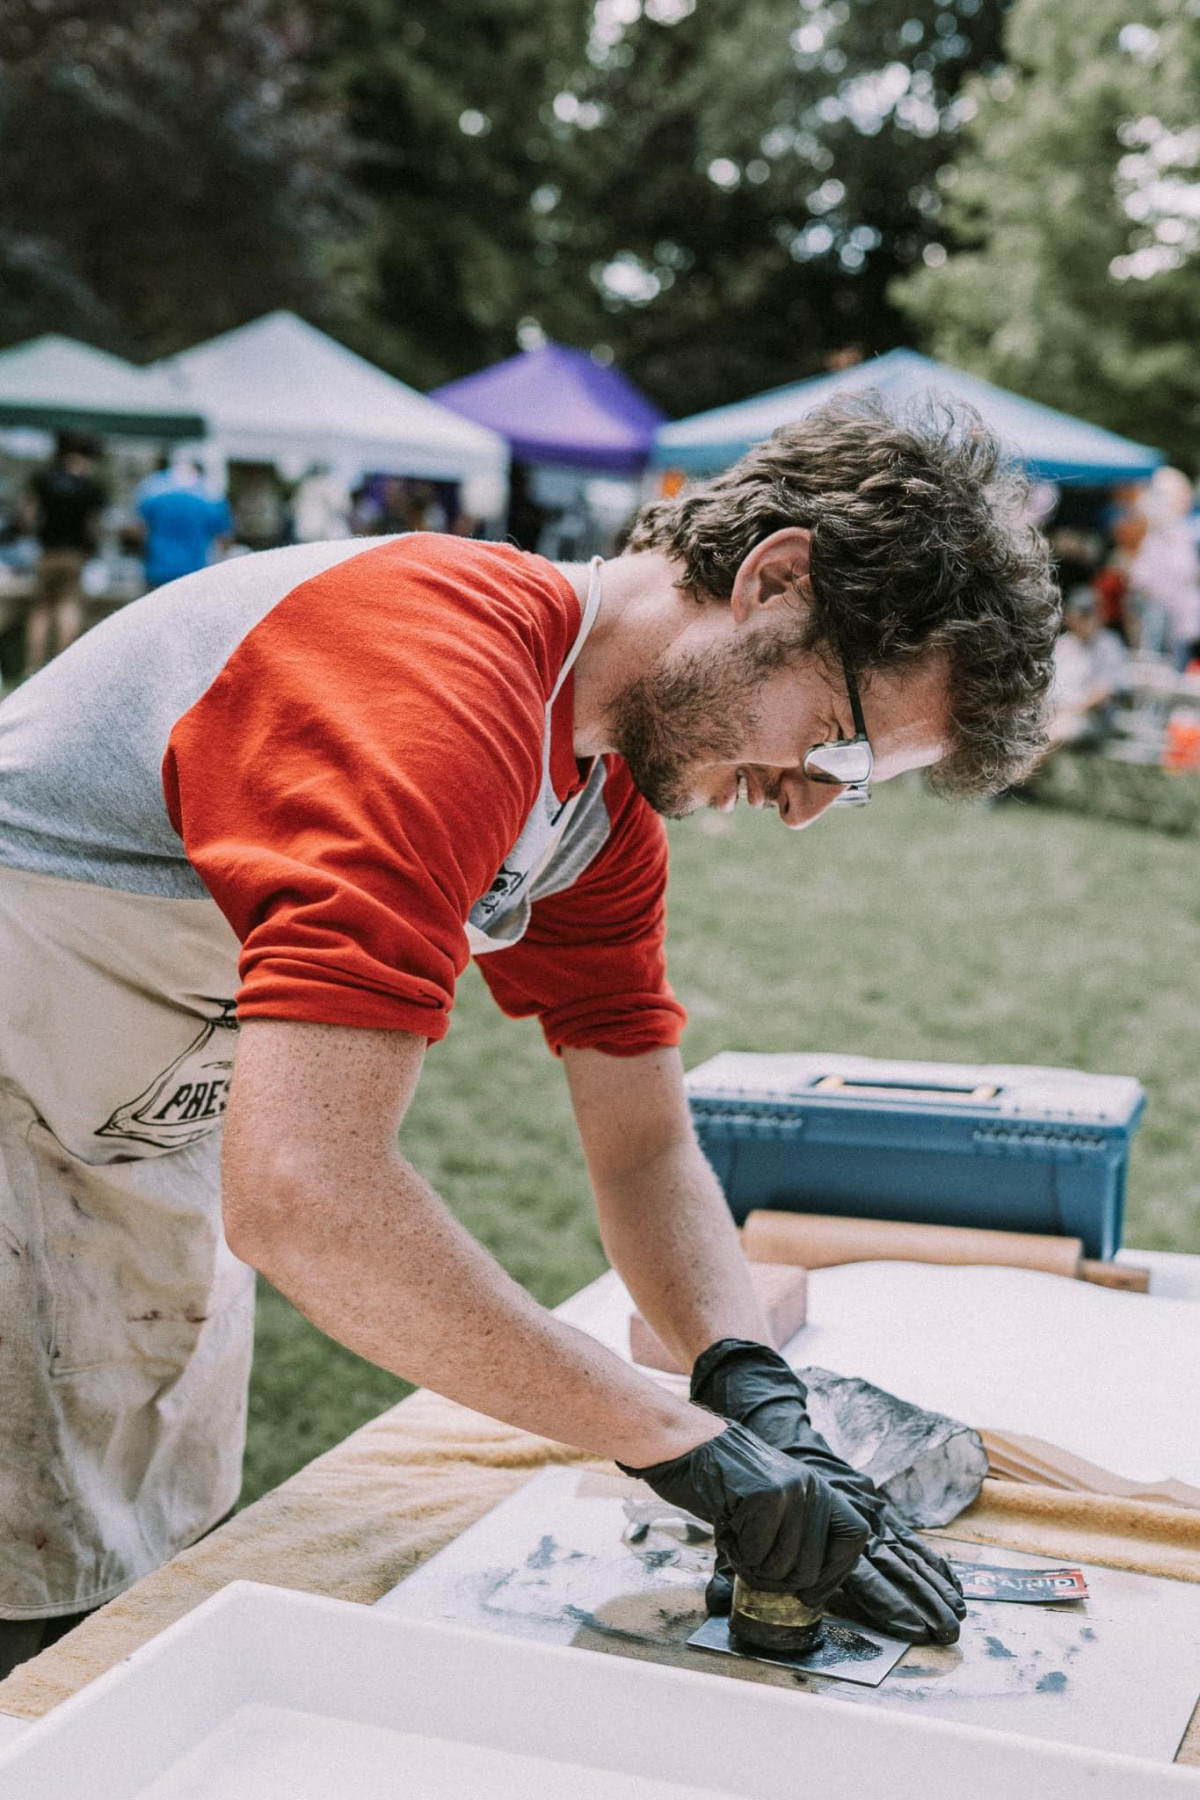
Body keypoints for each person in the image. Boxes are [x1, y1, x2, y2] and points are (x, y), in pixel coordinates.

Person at [0, 398, 1058, 1676]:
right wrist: (676, 1442)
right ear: (774, 582)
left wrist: (746, 1379)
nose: (801, 809)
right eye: (835, 748)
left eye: (853, 791)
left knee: (113, 1625)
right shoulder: (430, 678)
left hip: (125, 1156)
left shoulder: (596, 810)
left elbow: (643, 1148)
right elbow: (305, 1189)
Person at [21, 432, 107, 673]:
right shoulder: (91, 487)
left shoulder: (45, 478)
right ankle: (60, 666)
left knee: (41, 608)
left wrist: (36, 533)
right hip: (75, 553)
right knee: (68, 605)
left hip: (47, 550)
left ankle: (33, 664)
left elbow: (27, 514)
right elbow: (93, 526)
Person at [1048, 588, 1130, 747]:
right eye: (1081, 616)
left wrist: (1069, 712)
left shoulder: (1109, 645)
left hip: (1092, 719)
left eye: (1090, 615)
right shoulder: (1064, 644)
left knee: (1056, 731)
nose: (1087, 621)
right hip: (1057, 713)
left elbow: (1104, 693)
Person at [136, 457, 234, 590]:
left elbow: (139, 529)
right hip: (196, 572)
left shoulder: (153, 487)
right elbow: (225, 538)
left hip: (158, 570)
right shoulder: (212, 494)